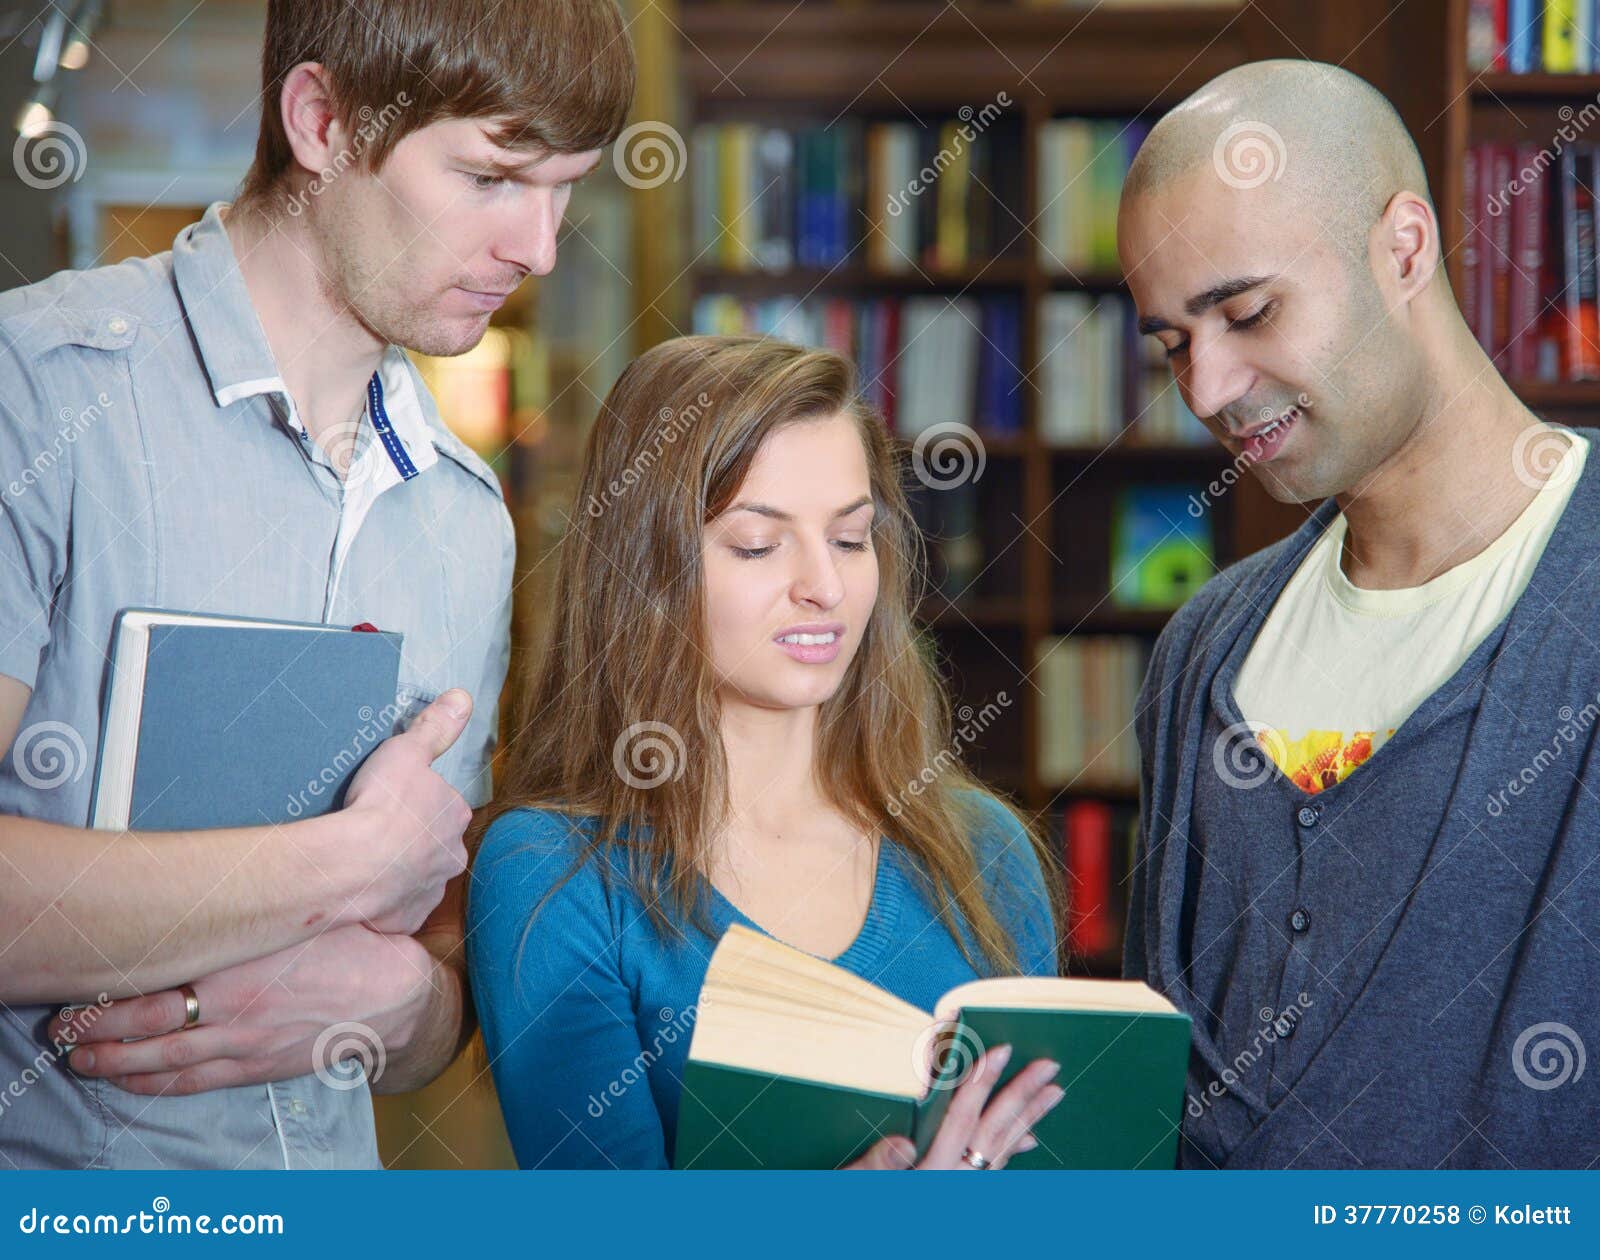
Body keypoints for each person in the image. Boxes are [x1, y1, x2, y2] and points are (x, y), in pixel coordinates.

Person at [0, 0, 634, 1168]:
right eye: (493, 178)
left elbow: (435, 973)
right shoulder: (37, 395)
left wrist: (400, 1011)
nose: (539, 248)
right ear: (323, 120)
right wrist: (335, 865)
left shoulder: (464, 517)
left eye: (565, 190)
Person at [1118, 58, 1600, 1167]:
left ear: (1404, 249)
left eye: (1246, 312)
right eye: (1173, 344)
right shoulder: (1205, 650)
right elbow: (1159, 1108)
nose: (1206, 390)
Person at [466, 335, 1064, 1169]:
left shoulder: (984, 849)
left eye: (853, 540)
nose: (825, 584)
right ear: (646, 570)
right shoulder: (555, 873)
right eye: (758, 544)